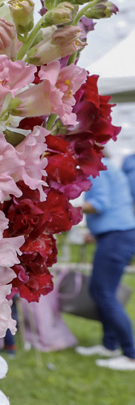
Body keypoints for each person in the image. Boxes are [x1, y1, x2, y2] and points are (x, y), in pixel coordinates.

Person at [75, 158, 135, 371]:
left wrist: (67, 208)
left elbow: (99, 204)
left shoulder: (97, 166)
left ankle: (131, 355)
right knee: (102, 292)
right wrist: (96, 231)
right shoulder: (108, 166)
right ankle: (109, 346)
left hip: (116, 237)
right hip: (117, 234)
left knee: (104, 293)